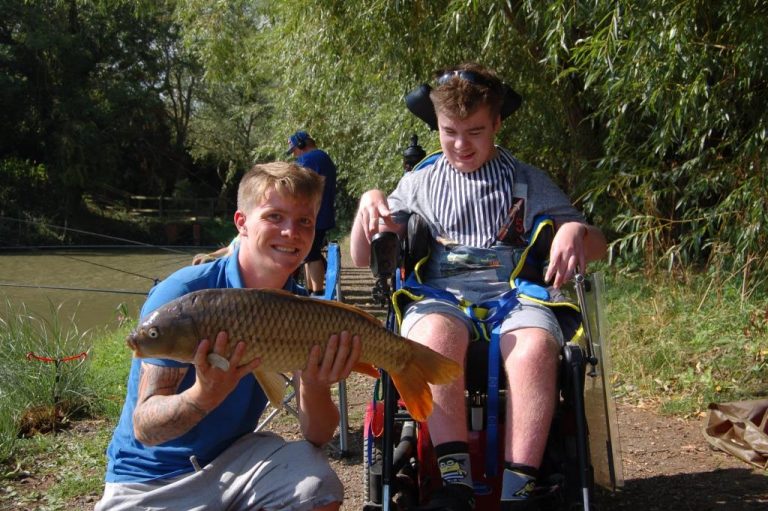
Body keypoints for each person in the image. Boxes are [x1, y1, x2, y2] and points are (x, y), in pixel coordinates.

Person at [350, 63, 607, 511]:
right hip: (439, 295)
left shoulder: (527, 179)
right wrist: (367, 203)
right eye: (450, 132)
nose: (461, 145)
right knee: (436, 337)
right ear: (437, 126)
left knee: (535, 348)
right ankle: (454, 484)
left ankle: (520, 489)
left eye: (475, 131)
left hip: (514, 293)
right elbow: (360, 255)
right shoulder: (419, 181)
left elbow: (599, 244)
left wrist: (576, 231)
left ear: (497, 125)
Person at [97, 161, 361, 511]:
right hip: (150, 479)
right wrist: (203, 395)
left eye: (304, 222)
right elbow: (146, 427)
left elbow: (317, 435)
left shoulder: (296, 308)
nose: (290, 232)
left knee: (317, 484)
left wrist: (313, 385)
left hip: (234, 460)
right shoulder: (183, 297)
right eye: (274, 217)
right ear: (242, 223)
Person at [286, 130, 337, 296]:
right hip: (322, 214)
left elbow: (298, 187)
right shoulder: (323, 157)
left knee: (312, 254)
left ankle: (317, 293)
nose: (294, 154)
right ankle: (310, 292)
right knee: (308, 254)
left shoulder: (308, 159)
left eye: (294, 149)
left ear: (301, 144)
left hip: (314, 216)